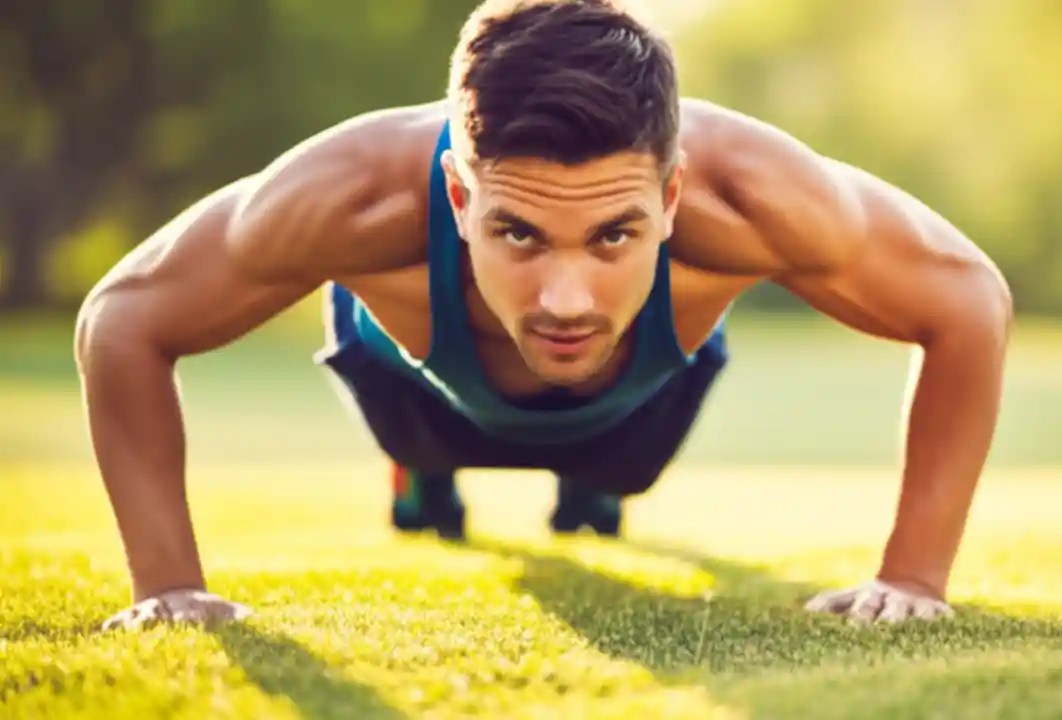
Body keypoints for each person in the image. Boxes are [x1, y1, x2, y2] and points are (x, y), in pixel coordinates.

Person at [78, 0, 1012, 631]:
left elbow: (968, 299)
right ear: (456, 191)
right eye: (519, 233)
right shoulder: (350, 196)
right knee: (429, 439)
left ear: (675, 193)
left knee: (612, 470)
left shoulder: (758, 195)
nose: (567, 299)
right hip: (418, 390)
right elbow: (123, 318)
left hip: (637, 409)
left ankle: (587, 484)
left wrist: (913, 578)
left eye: (614, 235)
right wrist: (168, 588)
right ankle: (422, 476)